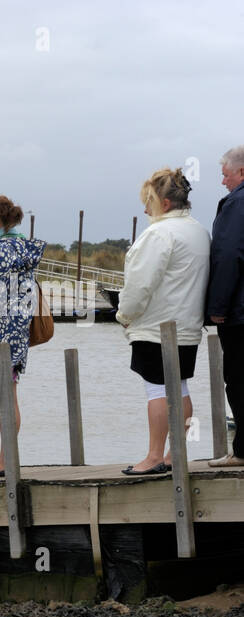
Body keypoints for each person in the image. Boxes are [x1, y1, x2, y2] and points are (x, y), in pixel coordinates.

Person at [115, 167, 209, 475]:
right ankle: (174, 454)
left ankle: (154, 455)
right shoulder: (198, 231)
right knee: (179, 388)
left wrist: (124, 315)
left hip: (155, 326)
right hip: (188, 327)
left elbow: (140, 283)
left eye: (149, 202)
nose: (145, 209)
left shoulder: (158, 233)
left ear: (165, 203)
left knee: (156, 390)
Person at [0, 195, 46, 477]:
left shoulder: (0, 250)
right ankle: (7, 458)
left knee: (5, 399)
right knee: (8, 397)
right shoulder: (21, 246)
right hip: (17, 332)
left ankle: (4, 461)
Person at [207, 145, 244, 467]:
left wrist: (217, 307)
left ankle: (242, 451)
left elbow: (228, 256)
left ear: (241, 172)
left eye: (226, 175)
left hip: (240, 313)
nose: (223, 182)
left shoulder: (237, 203)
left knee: (239, 377)